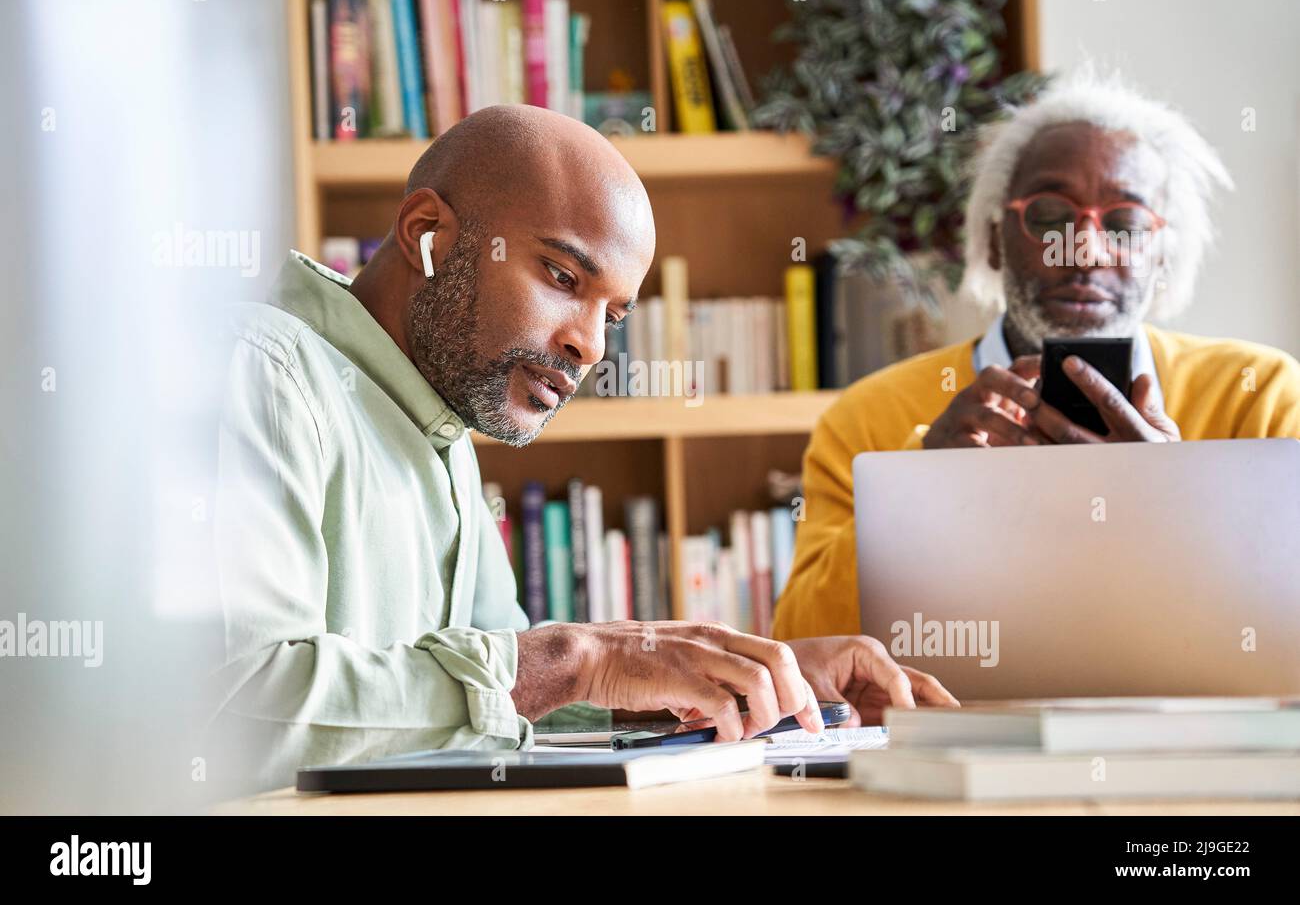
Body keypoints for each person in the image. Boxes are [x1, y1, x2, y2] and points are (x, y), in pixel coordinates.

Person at [212, 105, 955, 790]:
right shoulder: (260, 369)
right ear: (425, 235)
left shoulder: (433, 427)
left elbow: (492, 704)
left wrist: (740, 676)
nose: (589, 346)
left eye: (616, 316)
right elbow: (234, 713)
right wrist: (581, 660)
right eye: (563, 277)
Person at [773, 71, 1300, 641]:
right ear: (996, 239)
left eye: (1124, 224)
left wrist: (1176, 503)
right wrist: (919, 495)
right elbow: (806, 643)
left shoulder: (1262, 395)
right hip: (954, 730)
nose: (1085, 250)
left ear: (1163, 257)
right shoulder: (868, 419)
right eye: (1050, 217)